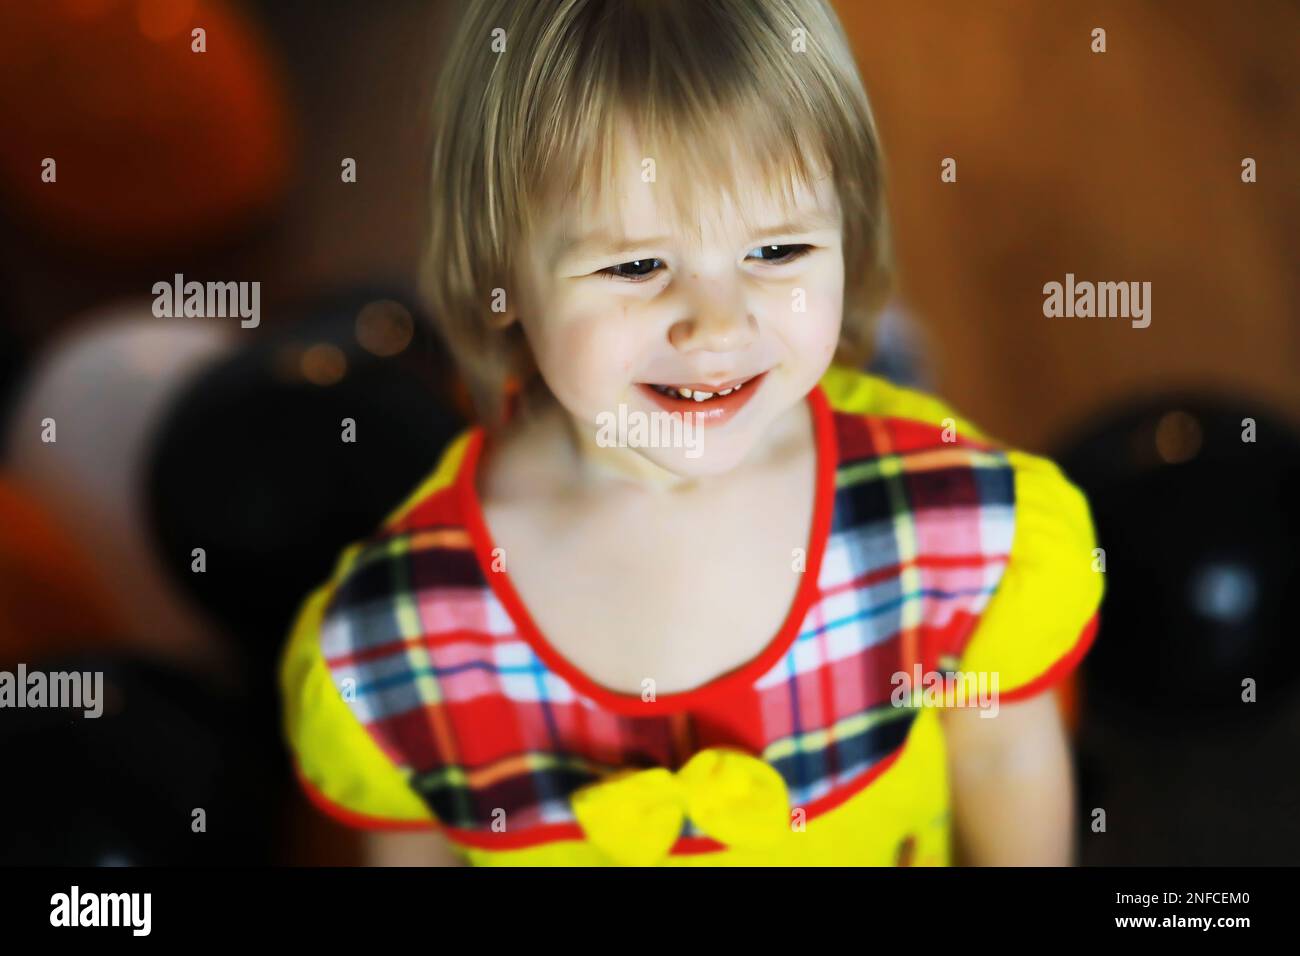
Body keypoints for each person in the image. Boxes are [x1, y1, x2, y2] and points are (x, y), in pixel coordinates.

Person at [280, 0, 1102, 866]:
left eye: (778, 251)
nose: (717, 325)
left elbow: (1005, 755)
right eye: (637, 265)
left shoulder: (946, 526)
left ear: (847, 231)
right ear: (500, 273)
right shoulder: (405, 641)